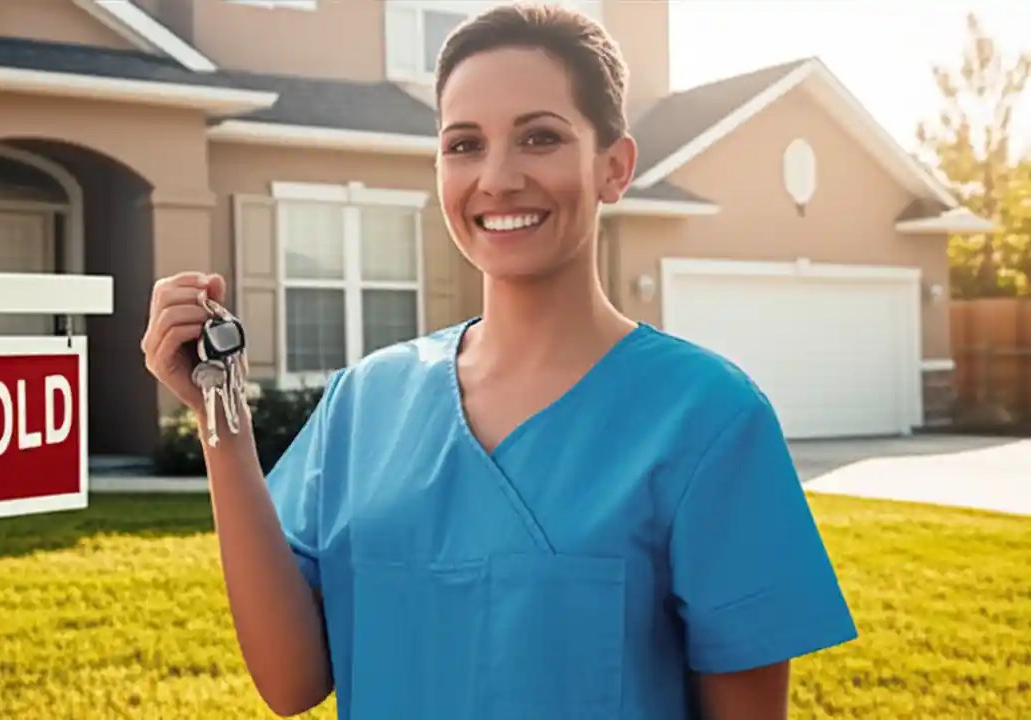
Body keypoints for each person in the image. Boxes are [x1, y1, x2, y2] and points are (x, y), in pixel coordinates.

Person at [141, 3, 858, 718]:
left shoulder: (708, 418)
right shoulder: (366, 403)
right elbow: (290, 684)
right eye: (463, 145)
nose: (497, 178)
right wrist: (221, 420)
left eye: (540, 137)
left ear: (615, 167)